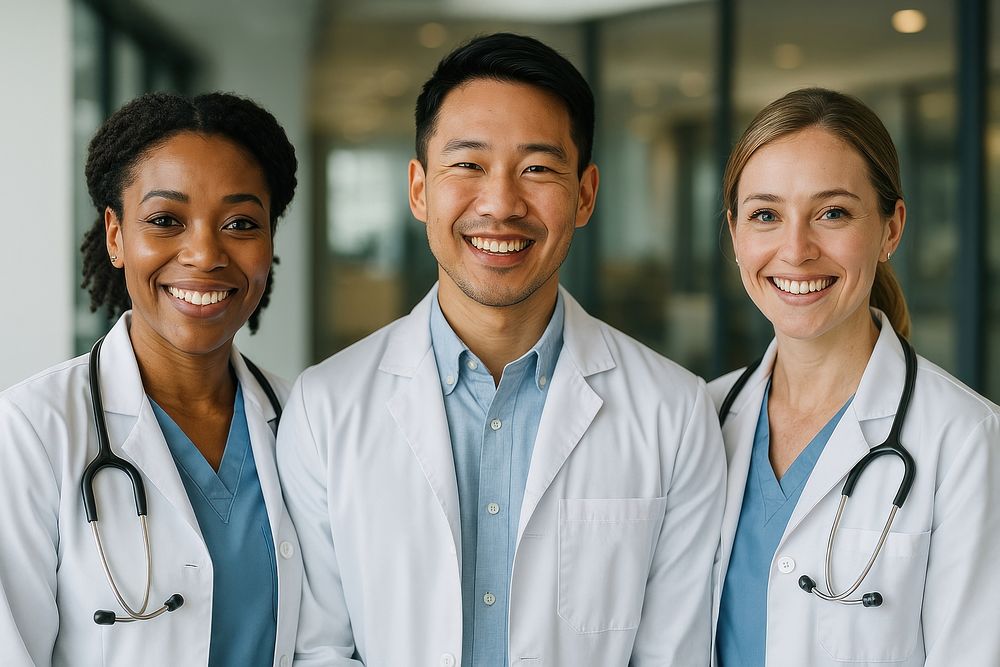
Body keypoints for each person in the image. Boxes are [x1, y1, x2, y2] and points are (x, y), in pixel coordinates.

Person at [277, 32, 725, 666]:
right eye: (468, 164)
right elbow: (318, 648)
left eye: (538, 168)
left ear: (586, 195)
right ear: (418, 188)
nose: (500, 204)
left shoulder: (673, 411)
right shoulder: (325, 407)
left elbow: (673, 655)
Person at [0, 92, 303, 665]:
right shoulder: (31, 430)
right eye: (165, 220)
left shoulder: (304, 421)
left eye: (241, 223)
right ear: (116, 236)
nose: (205, 254)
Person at [711, 87, 1000, 666]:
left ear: (891, 229)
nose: (795, 250)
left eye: (833, 213)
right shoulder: (703, 417)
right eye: (766, 215)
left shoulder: (966, 438)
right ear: (736, 235)